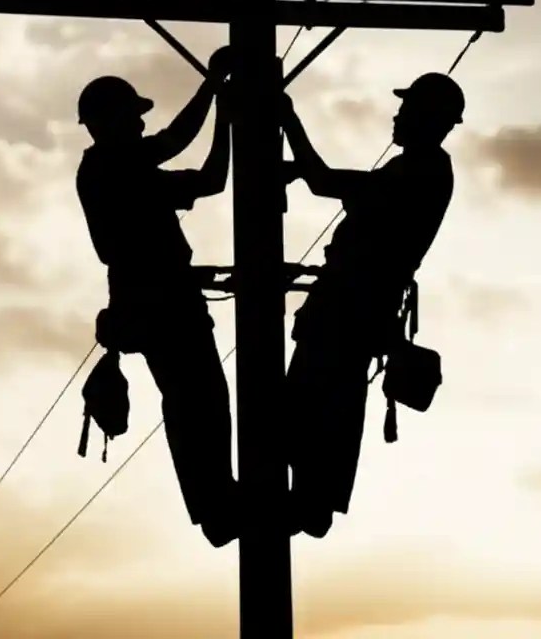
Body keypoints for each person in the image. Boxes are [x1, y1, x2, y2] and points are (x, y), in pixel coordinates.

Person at [280, 72, 462, 539]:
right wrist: (300, 167)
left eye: (407, 110)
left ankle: (310, 502)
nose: (397, 117)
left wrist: (288, 120)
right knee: (316, 407)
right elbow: (326, 182)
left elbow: (324, 183)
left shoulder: (419, 172)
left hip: (351, 309)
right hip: (354, 308)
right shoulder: (417, 171)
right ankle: (310, 500)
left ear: (429, 119)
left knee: (311, 406)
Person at [75, 49, 238, 547]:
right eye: (133, 116)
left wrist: (225, 113)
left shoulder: (127, 171)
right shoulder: (110, 165)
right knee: (197, 399)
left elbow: (211, 180)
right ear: (106, 122)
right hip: (158, 304)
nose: (142, 126)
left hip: (162, 300)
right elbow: (176, 141)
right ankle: (215, 506)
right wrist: (213, 87)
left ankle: (218, 503)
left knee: (201, 399)